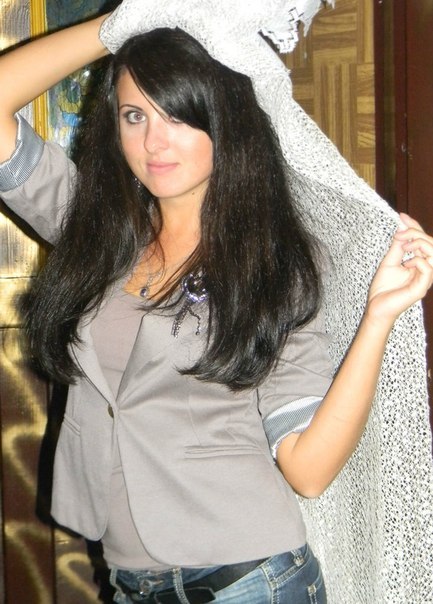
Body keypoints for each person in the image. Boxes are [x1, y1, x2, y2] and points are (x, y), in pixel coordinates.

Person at [0, 2, 432, 603]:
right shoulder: (95, 230)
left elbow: (308, 470)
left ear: (224, 119)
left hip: (249, 582)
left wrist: (378, 318)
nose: (154, 141)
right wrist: (120, 25)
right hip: (129, 583)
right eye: (133, 115)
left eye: (178, 116)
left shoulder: (274, 262)